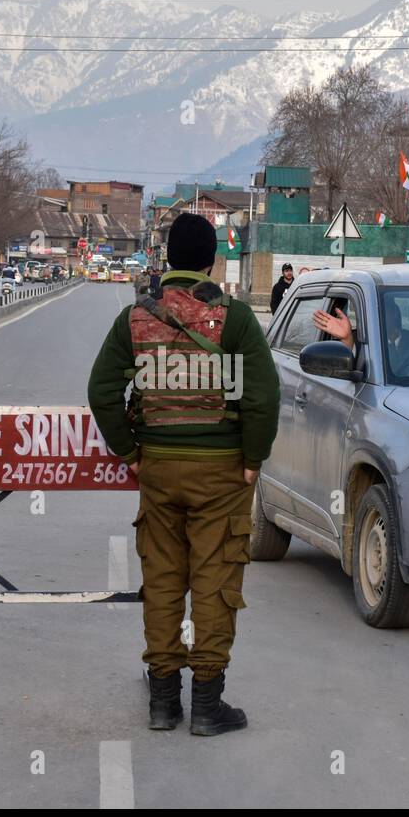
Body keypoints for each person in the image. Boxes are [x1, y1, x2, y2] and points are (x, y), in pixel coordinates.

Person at [87, 212, 280, 736]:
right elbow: (263, 397)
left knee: (164, 580)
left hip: (159, 470)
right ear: (211, 260)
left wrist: (130, 453)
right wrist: (251, 460)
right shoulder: (235, 319)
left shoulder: (134, 319)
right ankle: (208, 706)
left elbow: (102, 391)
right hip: (221, 476)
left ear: (167, 258)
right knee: (216, 581)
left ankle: (164, 702)